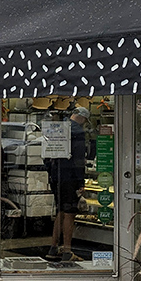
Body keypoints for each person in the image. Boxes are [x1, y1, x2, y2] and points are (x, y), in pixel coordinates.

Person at [45, 105, 89, 263]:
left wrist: (52, 172)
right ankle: (68, 250)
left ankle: (53, 247)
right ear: (83, 118)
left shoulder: (57, 127)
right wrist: (80, 182)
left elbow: (46, 155)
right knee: (70, 212)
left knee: (60, 211)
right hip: (70, 177)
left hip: (56, 176)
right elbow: (78, 160)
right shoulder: (77, 131)